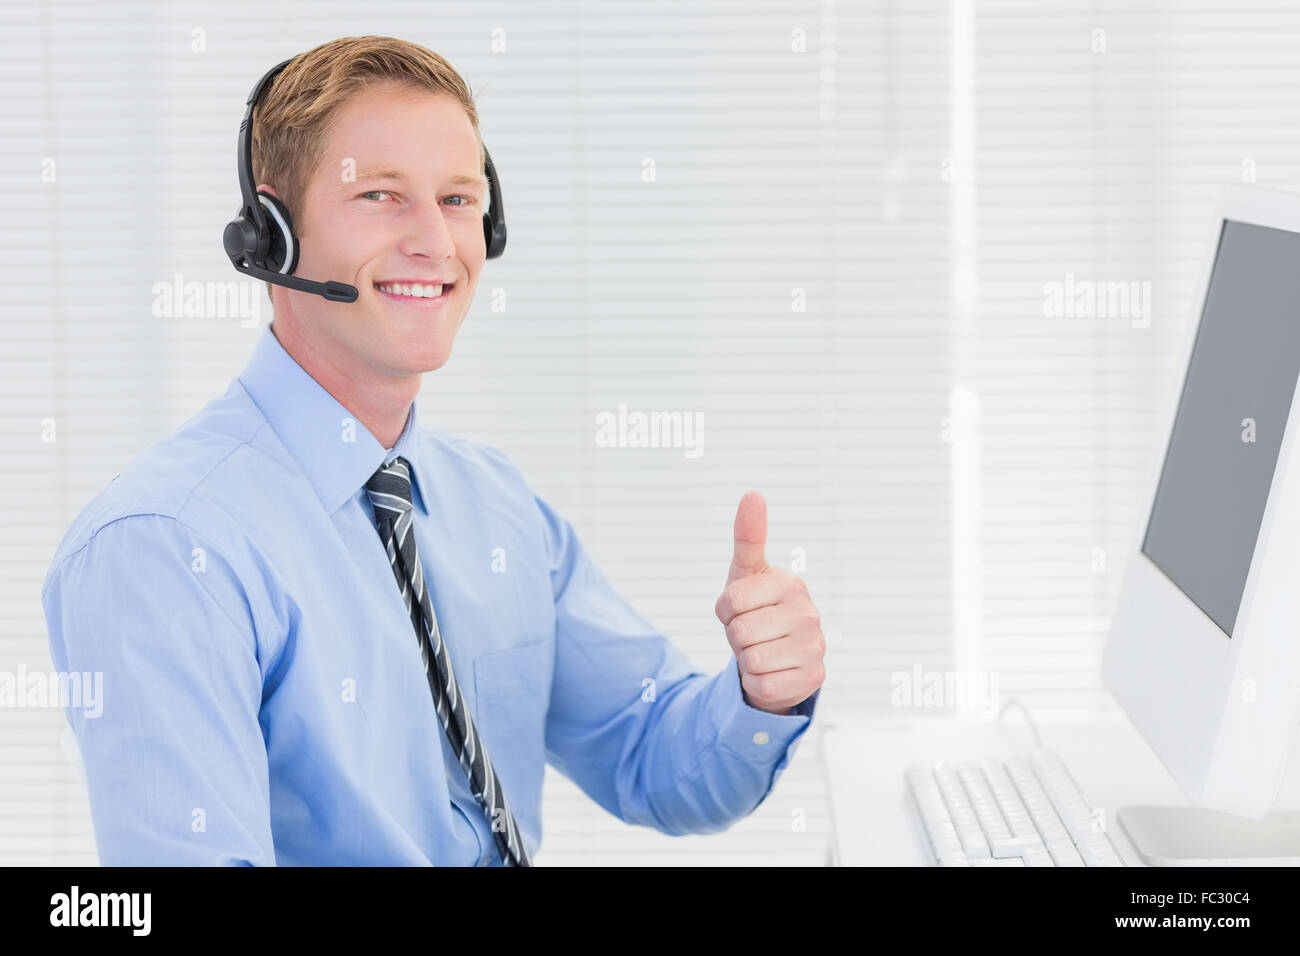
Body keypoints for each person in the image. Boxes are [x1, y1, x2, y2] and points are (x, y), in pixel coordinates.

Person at [40, 35, 825, 866]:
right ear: (270, 233)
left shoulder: (497, 507)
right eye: (380, 196)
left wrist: (759, 695)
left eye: (457, 199)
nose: (435, 242)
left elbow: (652, 761)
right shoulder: (166, 544)